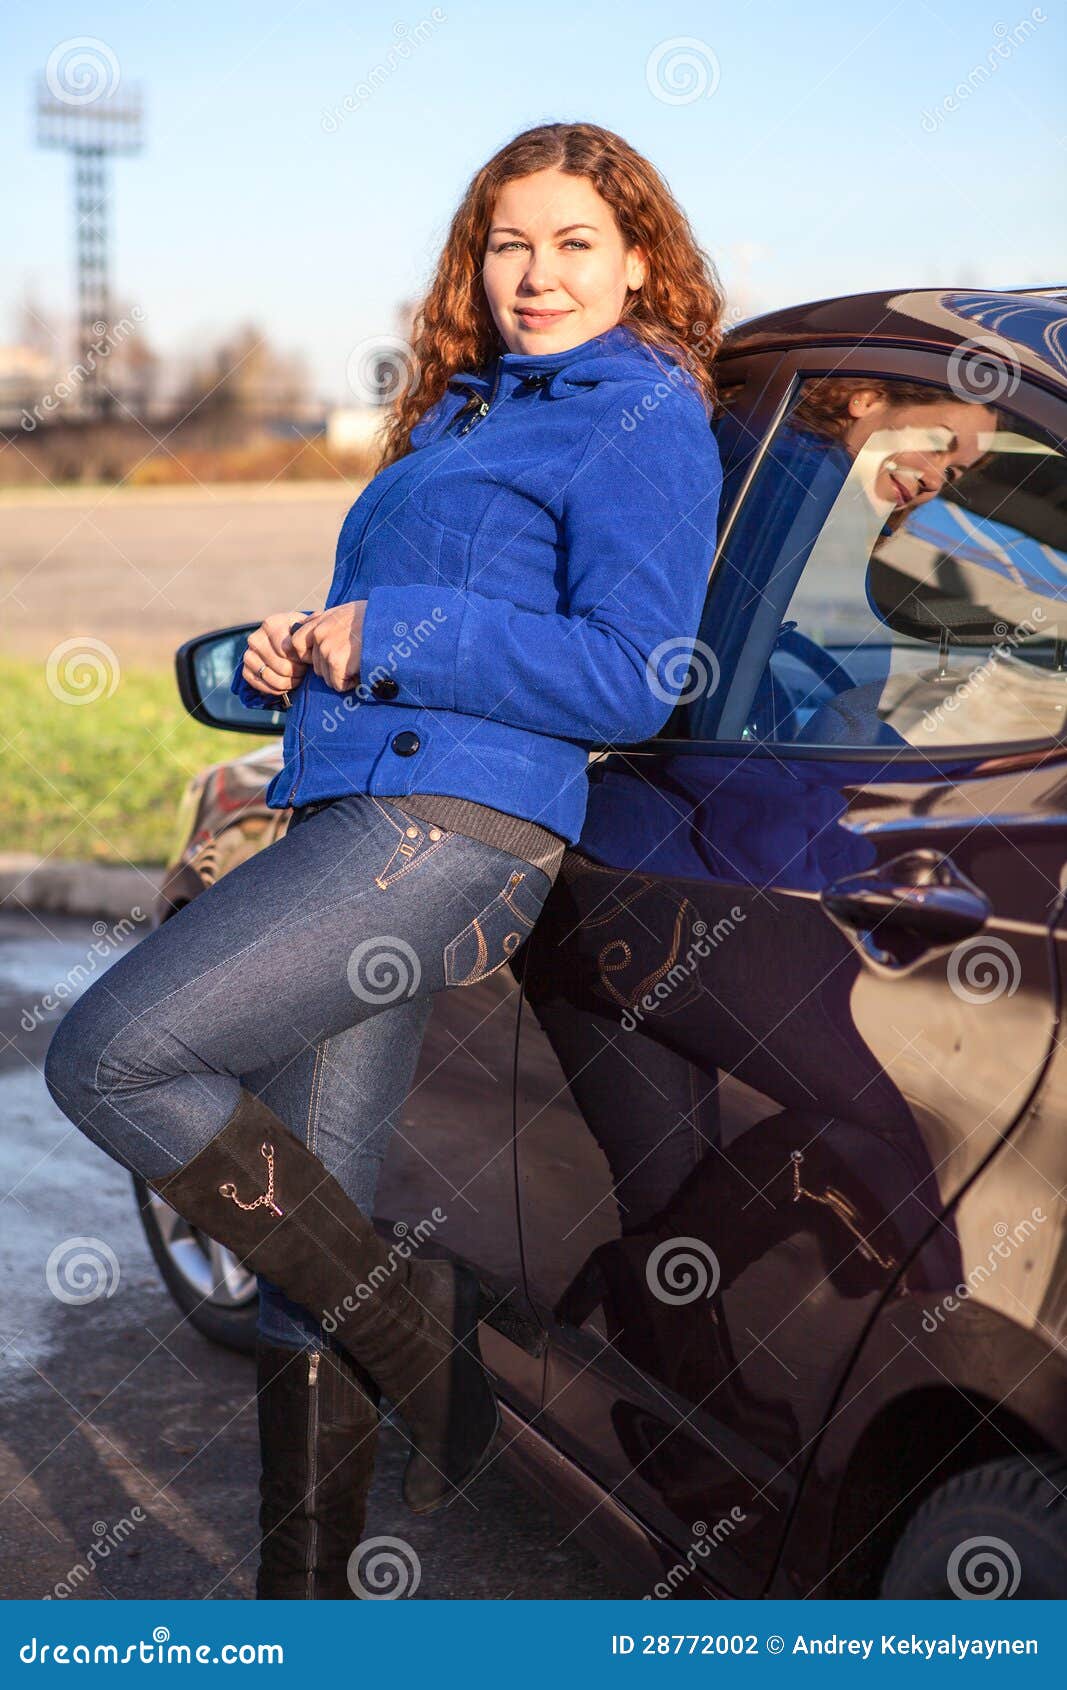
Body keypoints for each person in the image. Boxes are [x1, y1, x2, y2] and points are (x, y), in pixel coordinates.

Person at [42, 120, 725, 1599]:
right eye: (508, 243)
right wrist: (300, 649)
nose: (534, 275)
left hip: (448, 833)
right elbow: (412, 629)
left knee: (104, 1056)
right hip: (357, 811)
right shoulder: (467, 413)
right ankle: (312, 1621)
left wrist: (394, 634)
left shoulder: (639, 412)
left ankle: (414, 1316)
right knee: (305, 1256)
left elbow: (638, 670)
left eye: (573, 244)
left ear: (641, 261)